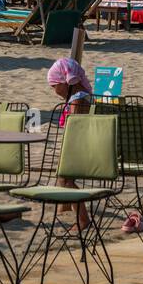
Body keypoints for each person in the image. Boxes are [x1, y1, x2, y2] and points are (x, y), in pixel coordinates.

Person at [47, 57, 93, 230]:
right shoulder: (80, 97)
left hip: (79, 149)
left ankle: (83, 219)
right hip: (80, 147)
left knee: (65, 179)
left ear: (66, 82)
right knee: (63, 178)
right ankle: (65, 205)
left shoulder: (78, 100)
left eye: (54, 86)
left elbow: (76, 128)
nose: (54, 91)